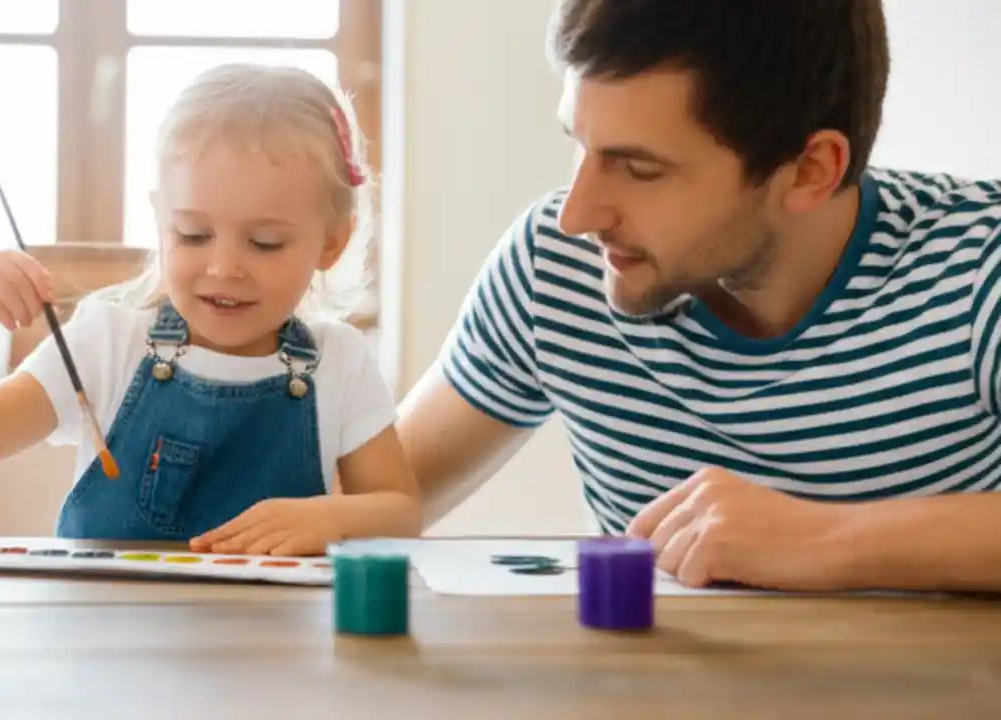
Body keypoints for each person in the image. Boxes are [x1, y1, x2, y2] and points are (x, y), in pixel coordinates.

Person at [396, 0, 1001, 592]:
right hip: (649, 690)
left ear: (810, 170)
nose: (576, 215)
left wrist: (820, 539)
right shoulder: (555, 268)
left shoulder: (978, 265)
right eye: (579, 144)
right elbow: (368, 503)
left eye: (640, 169)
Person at [0, 64, 420, 556]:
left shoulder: (342, 363)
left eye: (264, 243)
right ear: (160, 220)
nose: (224, 268)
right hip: (104, 634)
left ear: (332, 242)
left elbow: (400, 511)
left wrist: (330, 520)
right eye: (193, 235)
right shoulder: (107, 343)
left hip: (269, 639)